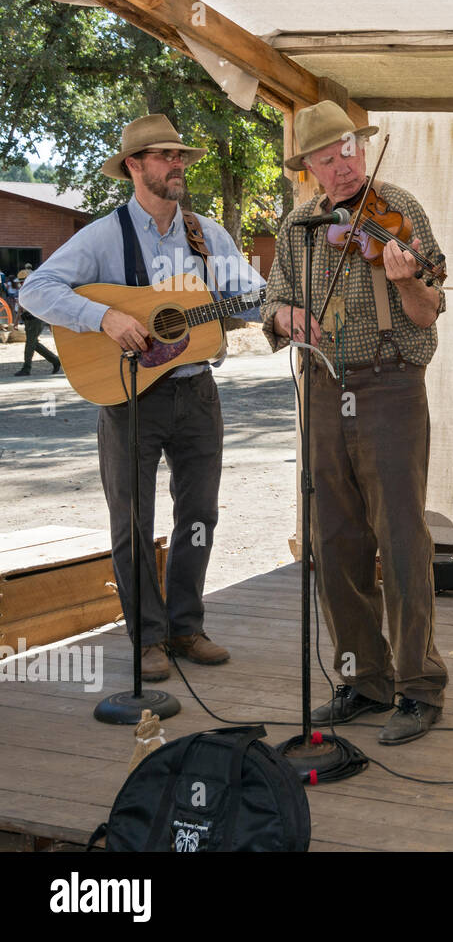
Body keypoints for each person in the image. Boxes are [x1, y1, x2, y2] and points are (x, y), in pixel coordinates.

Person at [19, 114, 264, 681]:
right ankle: (146, 637)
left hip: (197, 390)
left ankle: (185, 627)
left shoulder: (206, 234)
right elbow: (37, 289)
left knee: (199, 512)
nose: (177, 165)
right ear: (134, 166)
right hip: (128, 394)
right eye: (164, 156)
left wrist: (282, 305)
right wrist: (103, 316)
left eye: (180, 156)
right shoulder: (105, 234)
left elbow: (246, 296)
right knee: (133, 517)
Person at [262, 100, 449, 745]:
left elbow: (428, 311)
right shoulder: (297, 227)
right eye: (327, 156)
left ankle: (418, 685)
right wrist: (289, 319)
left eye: (349, 149)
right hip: (322, 387)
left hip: (389, 386)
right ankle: (361, 676)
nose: (342, 165)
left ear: (362, 149)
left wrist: (405, 284)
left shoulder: (401, 211)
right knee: (332, 539)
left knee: (400, 538)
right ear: (308, 167)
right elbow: (275, 301)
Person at [13, 264, 61, 376]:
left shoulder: (37, 290)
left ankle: (26, 368)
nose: (21, 284)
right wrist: (16, 322)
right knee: (34, 344)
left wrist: (50, 321)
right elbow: (21, 307)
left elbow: (45, 306)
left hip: (35, 319)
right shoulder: (24, 290)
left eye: (22, 281)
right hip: (28, 320)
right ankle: (55, 360)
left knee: (30, 344)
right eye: (20, 282)